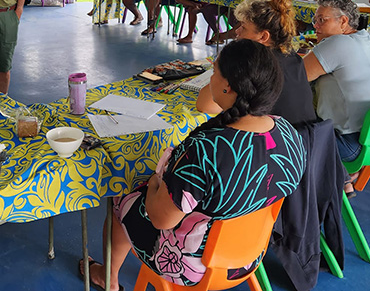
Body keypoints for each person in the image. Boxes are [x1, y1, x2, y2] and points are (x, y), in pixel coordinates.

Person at [80, 40, 306, 290]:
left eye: (214, 72)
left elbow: (160, 219)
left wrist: (157, 179)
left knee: (120, 195)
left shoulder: (206, 150)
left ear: (227, 87)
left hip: (190, 264)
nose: (210, 78)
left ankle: (108, 278)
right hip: (249, 253)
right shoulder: (288, 133)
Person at [302, 0, 370, 163]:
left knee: (284, 121)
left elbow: (294, 78)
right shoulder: (369, 40)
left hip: (352, 146)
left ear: (343, 21)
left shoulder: (337, 43)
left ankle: (326, 178)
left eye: (321, 20)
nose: (315, 26)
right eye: (314, 20)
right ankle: (343, 178)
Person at [205, 0, 317, 126]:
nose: (237, 31)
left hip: (281, 141)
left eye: (244, 28)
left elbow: (205, 105)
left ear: (263, 37)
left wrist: (222, 68)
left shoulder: (255, 65)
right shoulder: (291, 56)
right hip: (306, 137)